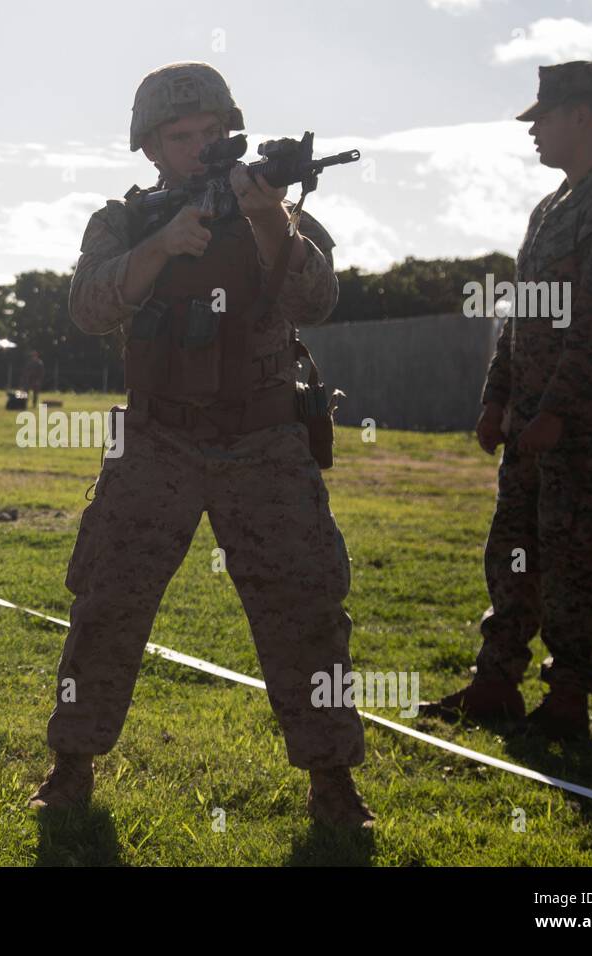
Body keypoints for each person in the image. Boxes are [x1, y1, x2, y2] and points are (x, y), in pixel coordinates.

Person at [29, 62, 372, 828]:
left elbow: (317, 302)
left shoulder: (273, 210)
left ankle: (333, 779)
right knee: (108, 604)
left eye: (211, 132)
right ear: (149, 148)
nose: (198, 147)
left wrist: (269, 221)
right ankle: (72, 764)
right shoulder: (122, 223)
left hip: (264, 437)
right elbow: (86, 308)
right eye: (180, 137)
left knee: (305, 608)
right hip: (159, 437)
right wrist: (162, 249)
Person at [423, 62, 592, 742]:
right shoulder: (552, 208)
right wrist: (497, 398)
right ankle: (497, 683)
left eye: (544, 119)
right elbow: (521, 317)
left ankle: (567, 702)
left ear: (581, 117)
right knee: (513, 553)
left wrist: (556, 412)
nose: (533, 132)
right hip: (531, 425)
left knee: (573, 563)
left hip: (582, 428)